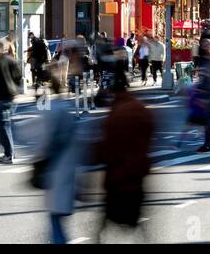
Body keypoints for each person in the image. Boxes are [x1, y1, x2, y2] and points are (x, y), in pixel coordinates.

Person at [93, 74, 153, 241]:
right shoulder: (140, 108)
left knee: (104, 227)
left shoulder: (116, 115)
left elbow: (108, 147)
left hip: (119, 178)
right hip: (138, 176)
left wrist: (95, 154)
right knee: (135, 224)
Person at [37, 69, 85, 244]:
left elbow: (46, 139)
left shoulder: (53, 109)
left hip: (56, 168)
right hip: (68, 167)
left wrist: (40, 160)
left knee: (55, 218)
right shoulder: (65, 109)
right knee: (57, 217)